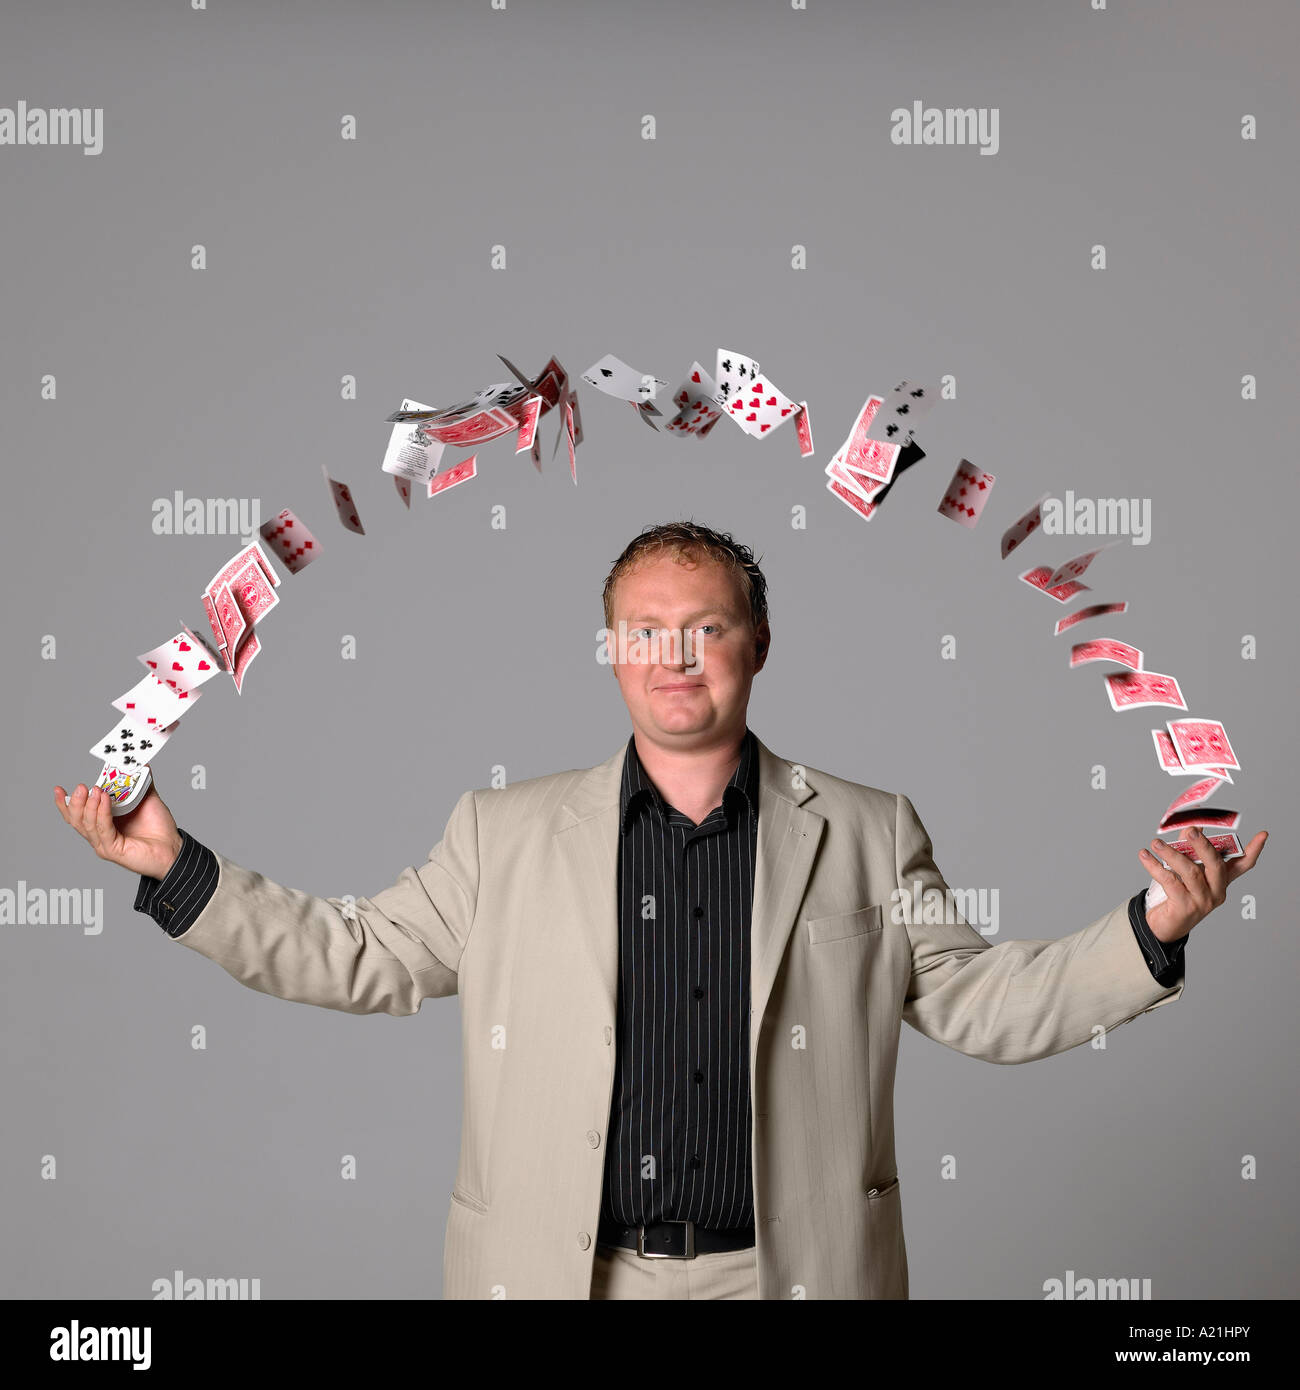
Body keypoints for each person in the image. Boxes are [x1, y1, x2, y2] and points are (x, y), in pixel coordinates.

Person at [54, 520, 1268, 1300]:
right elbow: (357, 953)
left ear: (757, 646)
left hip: (792, 1276)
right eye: (644, 631)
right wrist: (177, 868)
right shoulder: (502, 832)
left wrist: (1147, 931)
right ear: (610, 650)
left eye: (704, 630)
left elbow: (979, 1001)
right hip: (565, 1279)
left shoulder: (868, 826)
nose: (673, 656)